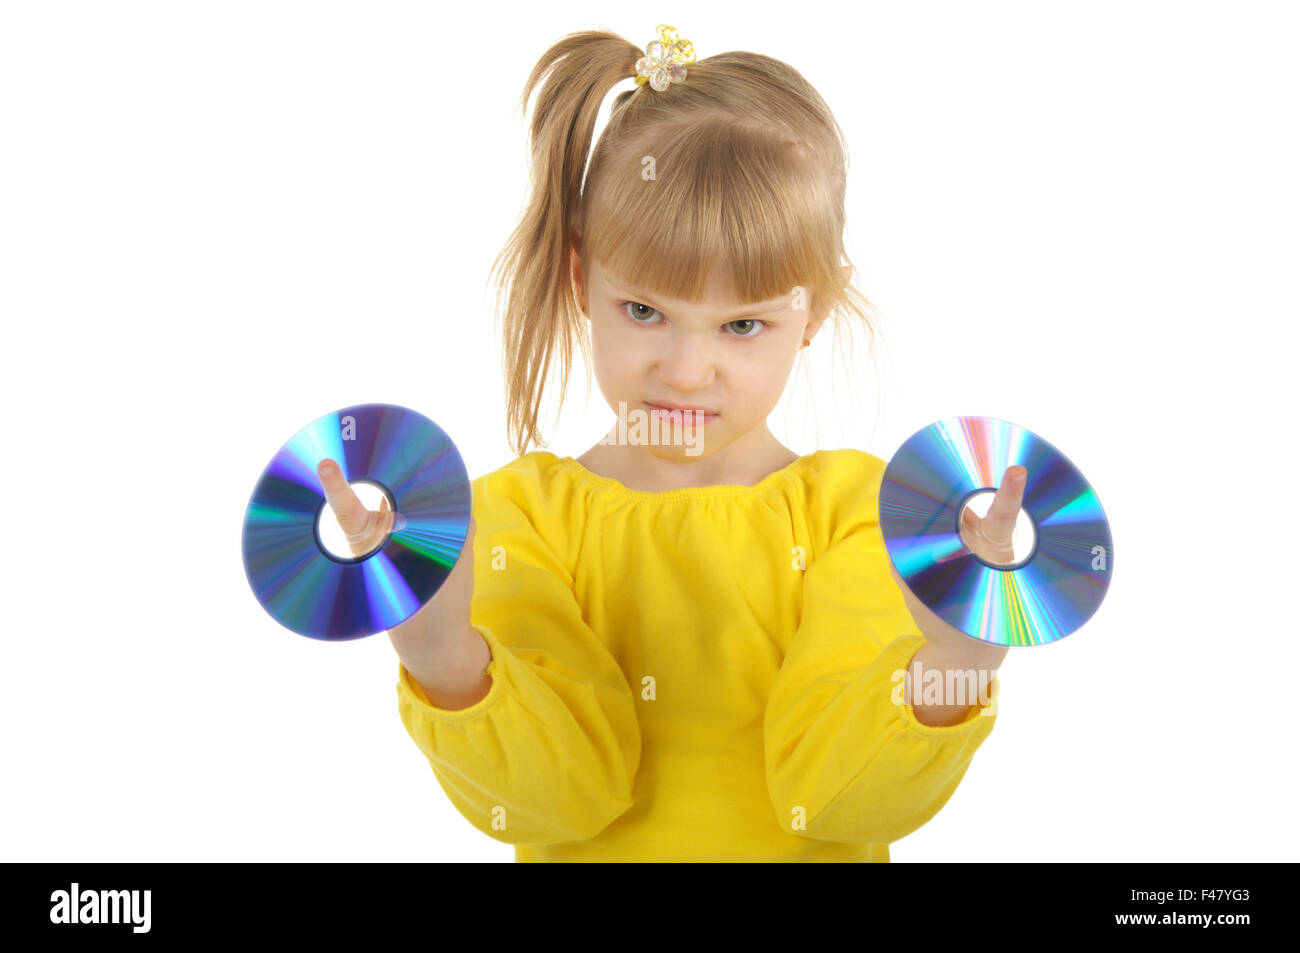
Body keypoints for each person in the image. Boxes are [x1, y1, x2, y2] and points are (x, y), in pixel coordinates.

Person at [317, 25, 1025, 862]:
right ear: (583, 281)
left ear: (814, 316)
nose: (687, 371)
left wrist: (954, 661)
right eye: (645, 310)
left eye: (742, 324)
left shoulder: (862, 515)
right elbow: (564, 796)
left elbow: (834, 794)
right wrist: (441, 655)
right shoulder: (516, 518)